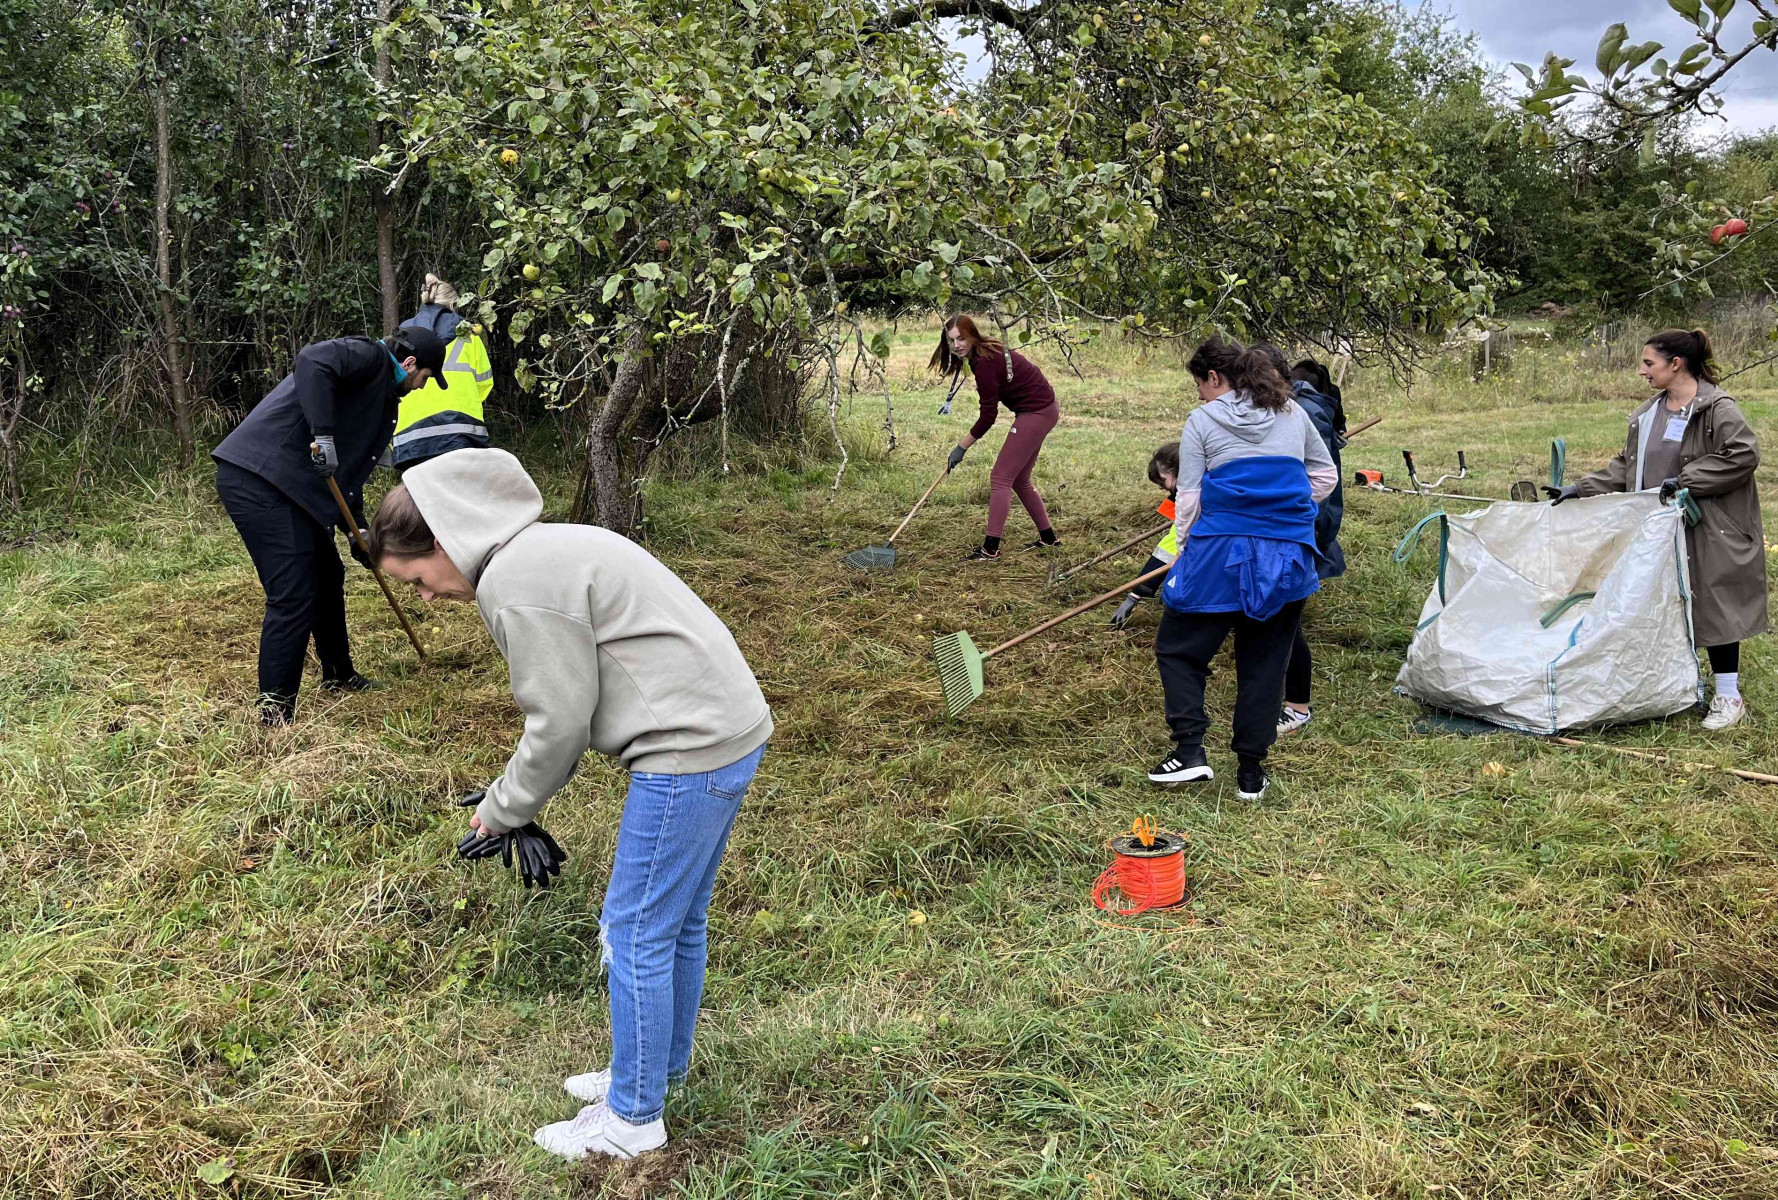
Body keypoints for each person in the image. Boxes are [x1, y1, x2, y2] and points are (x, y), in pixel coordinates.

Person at [367, 448, 773, 1161]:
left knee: (634, 930)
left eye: (417, 581)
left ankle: (633, 1120)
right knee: (676, 923)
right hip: (728, 732)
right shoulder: (546, 546)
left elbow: (559, 725)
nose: (426, 598)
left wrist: (504, 807)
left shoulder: (515, 583)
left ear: (444, 542)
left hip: (687, 749)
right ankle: (656, 1070)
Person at [213, 323, 450, 724]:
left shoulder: (380, 398)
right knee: (293, 593)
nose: (422, 387)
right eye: (426, 378)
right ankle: (274, 715)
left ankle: (339, 675)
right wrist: (322, 436)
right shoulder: (368, 356)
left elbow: (343, 476)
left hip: (292, 490)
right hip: (260, 479)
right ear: (410, 363)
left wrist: (358, 531)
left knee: (327, 576)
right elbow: (312, 360)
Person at [1549, 328, 1766, 730]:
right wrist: (1579, 488)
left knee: (1713, 603)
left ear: (1676, 364)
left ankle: (1728, 696)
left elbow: (1743, 454)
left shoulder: (1716, 408)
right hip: (1658, 527)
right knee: (1656, 601)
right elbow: (1626, 466)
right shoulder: (1650, 412)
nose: (1641, 371)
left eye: (1649, 363)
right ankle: (1664, 684)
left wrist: (1687, 480)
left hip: (1708, 526)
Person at [1148, 338, 1337, 799]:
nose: (1198, 394)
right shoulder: (1293, 412)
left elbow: (1188, 497)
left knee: (1178, 649)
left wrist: (1186, 548)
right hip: (1288, 554)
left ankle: (1190, 751)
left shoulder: (1203, 419)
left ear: (1217, 377)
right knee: (1266, 662)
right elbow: (1325, 477)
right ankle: (1250, 773)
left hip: (1219, 550)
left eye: (1199, 384)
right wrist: (1283, 509)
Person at [929, 315, 1062, 560]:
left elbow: (988, 416)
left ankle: (990, 549)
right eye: (952, 340)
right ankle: (1049, 539)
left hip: (1037, 412)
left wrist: (961, 448)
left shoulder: (985, 362)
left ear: (972, 335)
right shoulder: (982, 352)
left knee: (1000, 478)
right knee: (1019, 480)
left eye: (961, 338)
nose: (957, 345)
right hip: (1042, 409)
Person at [1277, 355, 1347, 737]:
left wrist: (1298, 523)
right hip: (1285, 530)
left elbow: (1322, 481)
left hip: (1302, 530)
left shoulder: (1304, 414)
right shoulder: (1287, 410)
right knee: (1278, 619)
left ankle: (1297, 706)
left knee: (1287, 621)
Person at [392, 273, 495, 469]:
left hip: (410, 436)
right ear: (453, 304)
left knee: (418, 489)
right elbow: (484, 384)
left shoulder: (402, 336)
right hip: (463, 431)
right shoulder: (469, 335)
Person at [1109, 443, 1181, 628]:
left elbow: (1167, 551)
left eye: (1162, 480)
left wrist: (1134, 596)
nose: (1161, 488)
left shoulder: (1198, 502)